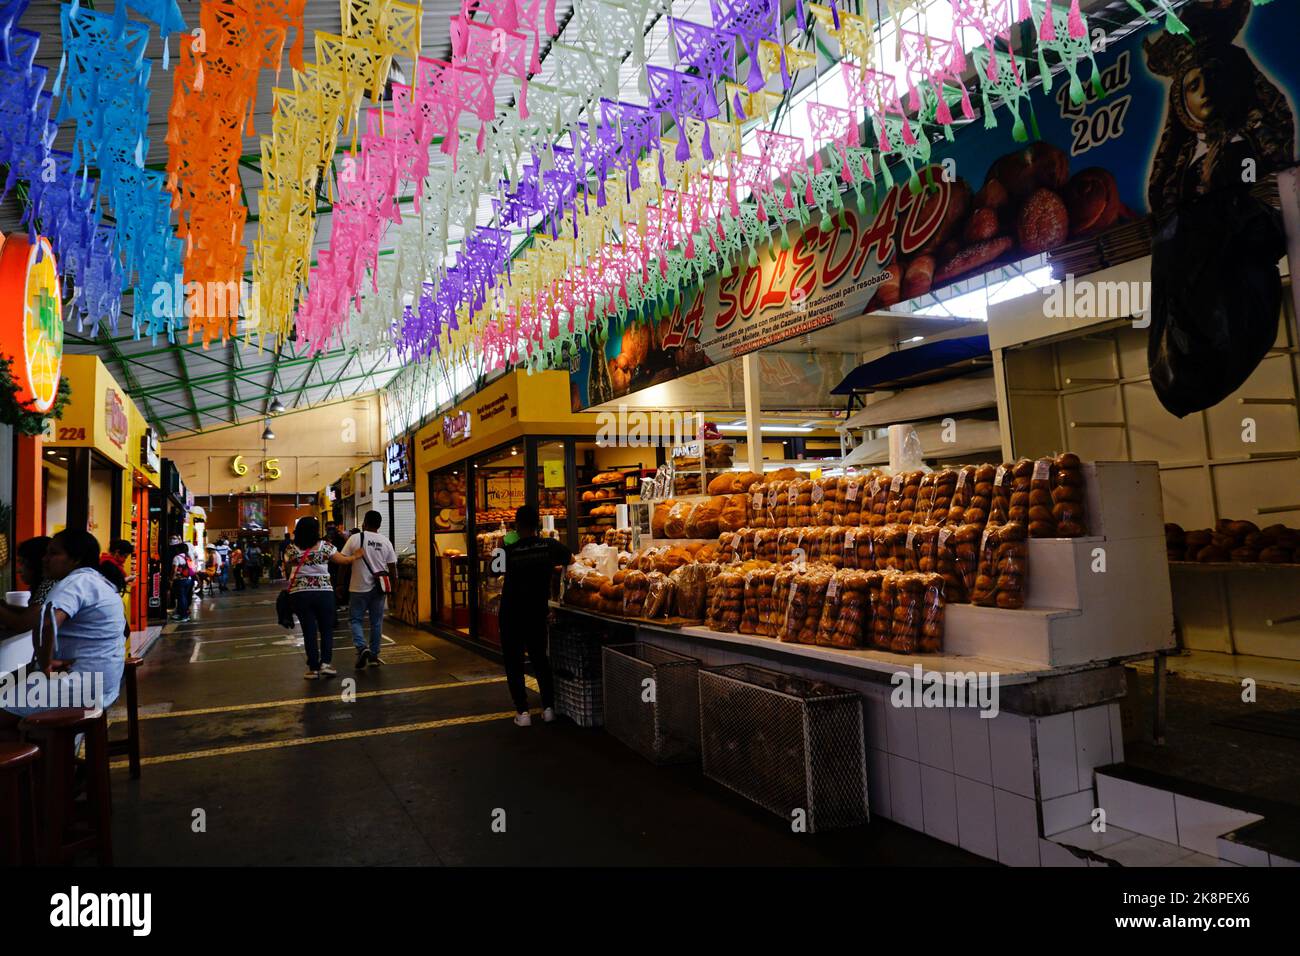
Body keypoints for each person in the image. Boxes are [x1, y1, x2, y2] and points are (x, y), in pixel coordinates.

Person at [1, 529, 126, 720]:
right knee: (10, 682)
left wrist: (45, 665)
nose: (45, 559)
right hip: (103, 683)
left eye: (53, 553)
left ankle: (38, 746)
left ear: (76, 559)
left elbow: (47, 623)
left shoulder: (75, 581)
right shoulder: (96, 581)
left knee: (3, 706)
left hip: (80, 685)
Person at [499, 505, 571, 726]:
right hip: (537, 611)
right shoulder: (549, 545)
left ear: (517, 525)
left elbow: (493, 571)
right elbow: (570, 559)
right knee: (540, 659)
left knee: (514, 663)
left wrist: (500, 545)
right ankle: (548, 708)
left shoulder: (509, 548)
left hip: (511, 613)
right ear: (538, 525)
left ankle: (523, 712)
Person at [282, 517, 359, 680]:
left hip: (300, 594)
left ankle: (313, 668)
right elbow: (343, 561)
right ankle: (326, 664)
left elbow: (288, 568)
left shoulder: (290, 549)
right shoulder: (326, 547)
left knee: (308, 631)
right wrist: (355, 556)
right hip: (323, 592)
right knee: (326, 629)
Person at [341, 511, 399, 670]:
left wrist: (339, 584)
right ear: (379, 525)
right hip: (379, 588)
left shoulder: (355, 538)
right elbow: (393, 567)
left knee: (355, 620)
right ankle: (374, 656)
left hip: (358, 587)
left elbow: (344, 561)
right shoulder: (385, 541)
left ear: (364, 522)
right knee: (376, 622)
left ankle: (361, 647)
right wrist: (394, 587)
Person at [0, 537, 54, 645]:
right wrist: (6, 607)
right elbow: (34, 613)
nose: (19, 570)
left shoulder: (49, 584)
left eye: (23, 563)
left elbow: (24, 623)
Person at [170, 538, 196, 621]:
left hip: (180, 580)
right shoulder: (188, 557)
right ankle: (183, 613)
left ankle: (184, 616)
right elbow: (192, 569)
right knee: (184, 597)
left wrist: (171, 579)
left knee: (181, 598)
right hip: (188, 579)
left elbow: (174, 570)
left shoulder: (176, 557)